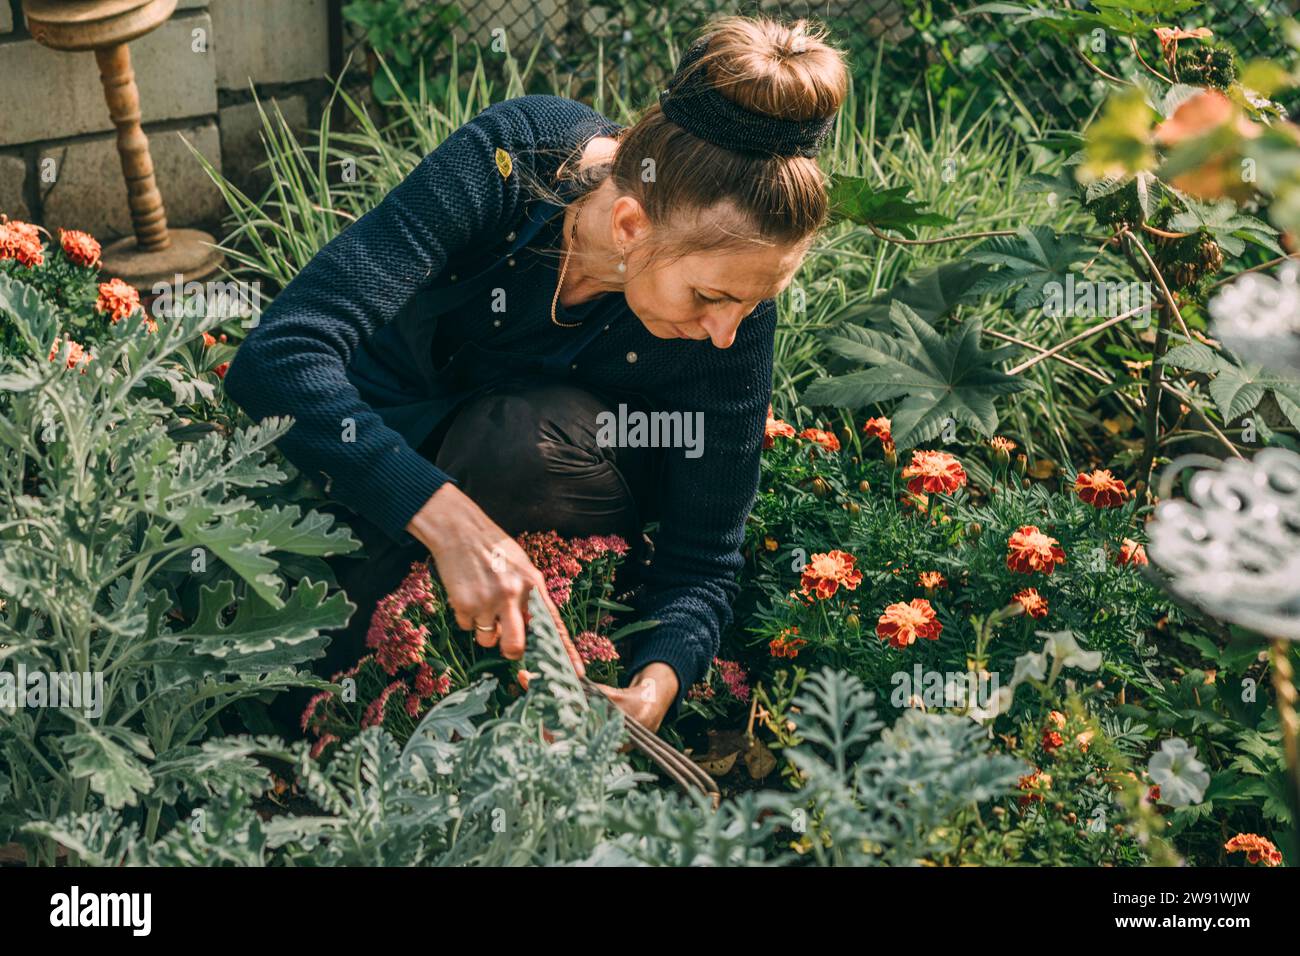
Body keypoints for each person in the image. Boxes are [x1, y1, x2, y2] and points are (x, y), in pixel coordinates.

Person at [223, 14, 849, 733]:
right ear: (628, 228)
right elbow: (280, 354)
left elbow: (703, 559)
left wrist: (654, 689)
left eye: (752, 303)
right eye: (708, 296)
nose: (725, 331)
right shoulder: (511, 159)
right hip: (379, 442)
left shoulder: (733, 321)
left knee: (518, 439)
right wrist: (452, 524)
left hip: (551, 475)